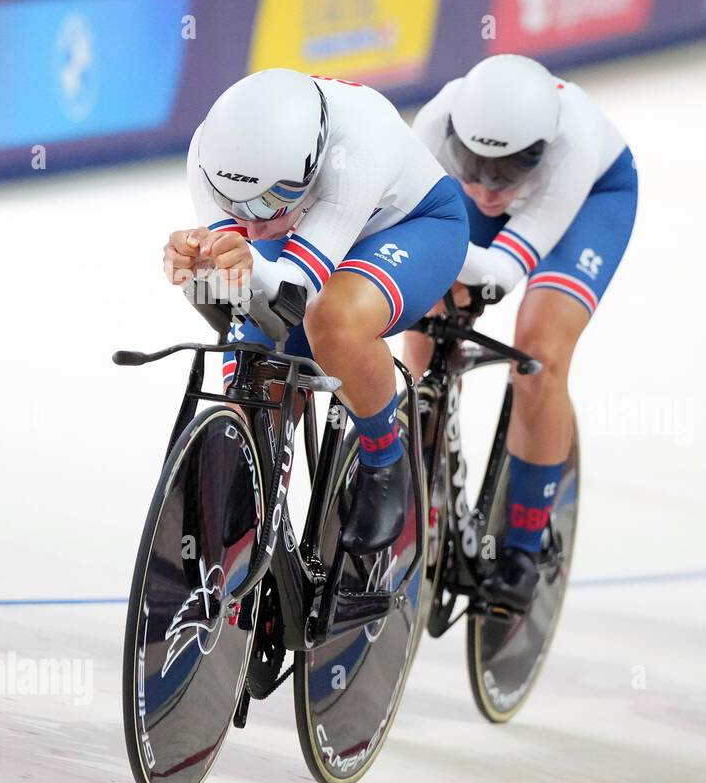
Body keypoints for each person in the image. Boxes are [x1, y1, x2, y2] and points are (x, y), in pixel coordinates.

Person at [161, 68, 469, 554]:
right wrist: (197, 270)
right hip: (307, 232)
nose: (252, 226)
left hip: (408, 228)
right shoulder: (210, 152)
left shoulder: (359, 148)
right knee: (253, 373)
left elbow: (293, 292)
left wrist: (237, 266)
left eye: (269, 203)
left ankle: (384, 457)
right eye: (233, 204)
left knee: (331, 321)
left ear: (311, 164)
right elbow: (239, 298)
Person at [408, 53, 639, 612]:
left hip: (587, 203)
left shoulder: (574, 144)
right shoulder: (435, 124)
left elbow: (502, 273)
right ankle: (421, 456)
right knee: (423, 315)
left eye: (508, 169)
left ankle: (524, 548)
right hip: (501, 202)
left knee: (538, 355)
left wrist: (443, 262)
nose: (488, 187)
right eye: (473, 163)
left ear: (539, 150)